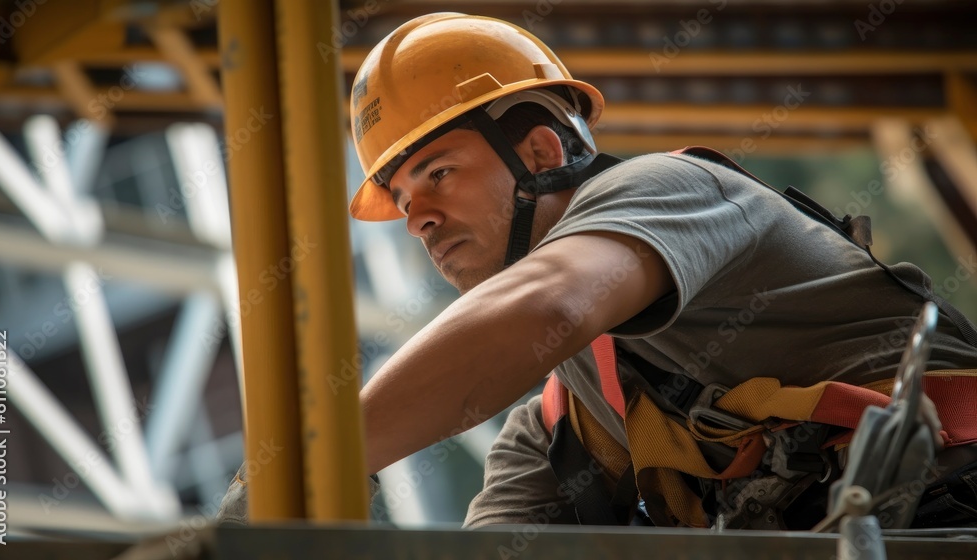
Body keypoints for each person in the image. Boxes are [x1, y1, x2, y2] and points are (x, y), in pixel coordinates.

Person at [220, 12, 977, 530]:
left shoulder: (670, 189)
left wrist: (309, 466)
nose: (416, 216)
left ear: (543, 154)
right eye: (402, 195)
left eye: (439, 173)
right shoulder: (566, 421)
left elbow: (546, 306)